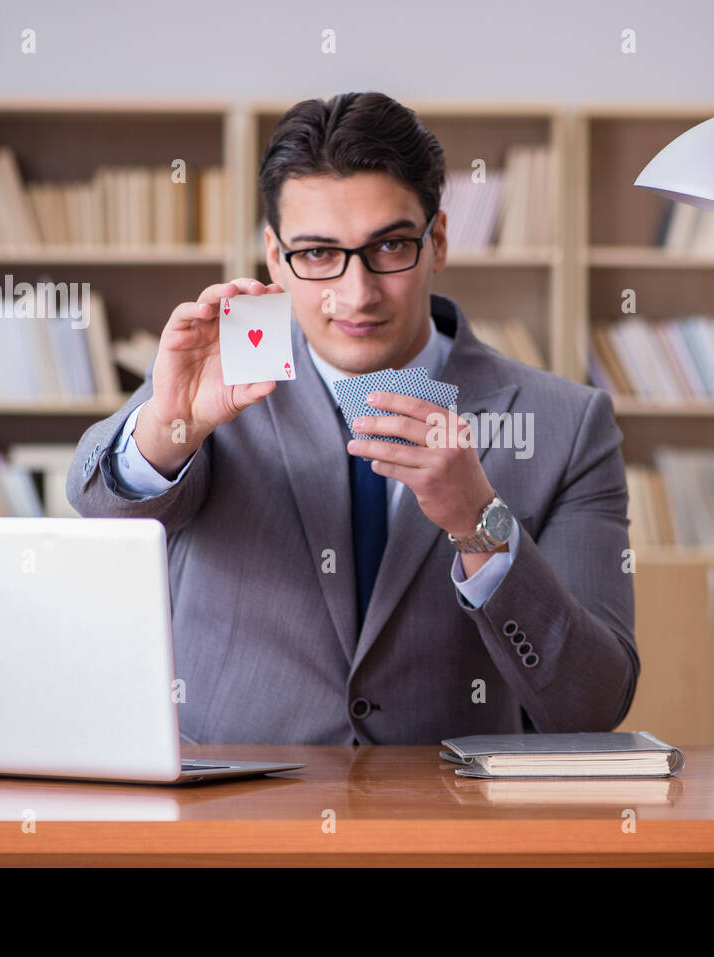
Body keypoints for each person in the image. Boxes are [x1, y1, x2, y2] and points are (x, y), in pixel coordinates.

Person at [66, 91, 637, 744]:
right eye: (317, 253)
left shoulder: (567, 423)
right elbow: (97, 508)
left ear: (437, 241)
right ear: (275, 257)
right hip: (234, 799)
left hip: (442, 803)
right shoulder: (215, 383)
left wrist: (481, 524)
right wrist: (170, 427)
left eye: (390, 246)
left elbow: (593, 705)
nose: (357, 293)